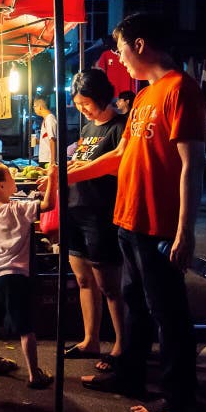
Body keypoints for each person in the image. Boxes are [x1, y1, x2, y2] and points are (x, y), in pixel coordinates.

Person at [70, 12, 206, 412]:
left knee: (169, 313)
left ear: (140, 44)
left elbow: (192, 165)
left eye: (120, 47)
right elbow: (117, 157)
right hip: (127, 221)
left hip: (158, 225)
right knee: (134, 305)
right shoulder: (145, 95)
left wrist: (185, 232)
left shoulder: (181, 89)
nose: (119, 57)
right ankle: (130, 375)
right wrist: (66, 174)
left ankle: (179, 398)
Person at [62, 69, 126, 373]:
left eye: (86, 103)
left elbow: (117, 168)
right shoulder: (88, 127)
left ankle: (121, 344)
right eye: (77, 104)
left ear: (102, 96)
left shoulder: (119, 128)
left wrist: (80, 169)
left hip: (101, 213)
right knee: (83, 280)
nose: (82, 109)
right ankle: (90, 339)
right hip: (76, 209)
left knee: (110, 286)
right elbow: (81, 163)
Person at [0, 161, 57, 389]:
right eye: (10, 177)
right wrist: (53, 178)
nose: (14, 178)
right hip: (17, 276)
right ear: (2, 186)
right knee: (25, 327)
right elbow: (49, 204)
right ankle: (34, 373)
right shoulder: (20, 208)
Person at [33, 97, 57, 165]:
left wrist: (53, 161)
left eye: (34, 106)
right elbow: (48, 139)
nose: (34, 109)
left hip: (48, 160)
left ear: (40, 107)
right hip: (44, 158)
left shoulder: (50, 119)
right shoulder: (46, 119)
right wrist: (39, 141)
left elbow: (53, 140)